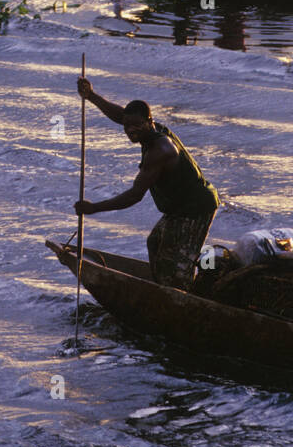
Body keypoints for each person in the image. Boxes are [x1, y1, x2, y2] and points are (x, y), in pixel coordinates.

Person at [74, 78, 219, 290]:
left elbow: (135, 195)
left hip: (196, 208)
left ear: (149, 122)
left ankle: (182, 293)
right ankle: (163, 286)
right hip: (178, 207)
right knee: (154, 243)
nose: (130, 131)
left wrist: (94, 208)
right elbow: (121, 115)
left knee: (175, 263)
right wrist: (91, 96)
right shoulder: (150, 130)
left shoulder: (160, 151)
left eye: (136, 125)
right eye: (127, 126)